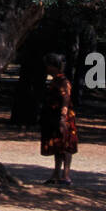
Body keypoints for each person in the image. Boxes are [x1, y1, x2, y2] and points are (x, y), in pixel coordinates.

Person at [40, 53, 77, 185]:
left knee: (66, 146)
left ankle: (65, 176)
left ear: (53, 66)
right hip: (54, 117)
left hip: (63, 117)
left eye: (48, 65)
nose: (46, 68)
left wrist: (62, 118)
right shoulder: (55, 80)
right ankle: (55, 174)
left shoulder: (63, 82)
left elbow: (65, 100)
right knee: (57, 145)